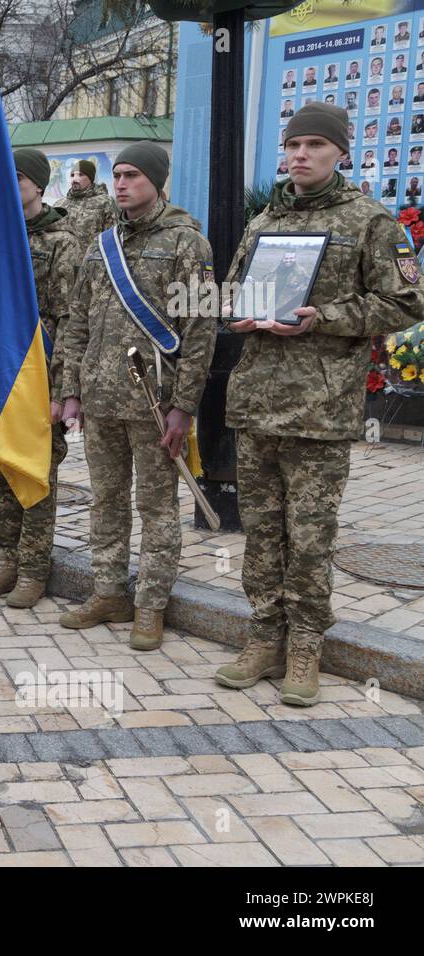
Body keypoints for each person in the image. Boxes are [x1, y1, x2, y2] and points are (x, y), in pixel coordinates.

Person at [214, 102, 424, 706]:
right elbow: (232, 292)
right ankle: (263, 636)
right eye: (293, 145)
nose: (299, 155)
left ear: (341, 152)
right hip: (256, 403)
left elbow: (408, 303)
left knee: (310, 535)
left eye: (313, 145)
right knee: (260, 531)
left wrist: (324, 318)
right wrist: (237, 311)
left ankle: (306, 644)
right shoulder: (262, 223)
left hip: (319, 408)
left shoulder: (371, 222)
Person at [58, 141, 217, 648]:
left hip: (155, 405)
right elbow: (76, 320)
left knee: (157, 507)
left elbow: (201, 329)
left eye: (132, 175)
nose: (122, 183)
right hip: (101, 402)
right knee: (106, 501)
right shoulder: (101, 243)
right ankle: (109, 591)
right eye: (118, 175)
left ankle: (150, 604)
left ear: (156, 180)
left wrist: (184, 406)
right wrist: (71, 390)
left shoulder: (187, 243)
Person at [0, 149, 81, 608]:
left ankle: (35, 568)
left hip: (39, 376)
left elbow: (72, 319)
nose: (10, 184)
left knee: (37, 472)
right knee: (1, 469)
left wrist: (62, 389)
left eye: (18, 177)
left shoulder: (62, 241)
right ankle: (7, 559)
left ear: (39, 185)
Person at [57, 159, 118, 253]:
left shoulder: (105, 202)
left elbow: (112, 237)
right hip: (63, 264)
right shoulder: (59, 204)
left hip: (90, 262)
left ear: (90, 178)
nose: (75, 179)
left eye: (81, 175)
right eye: (72, 175)